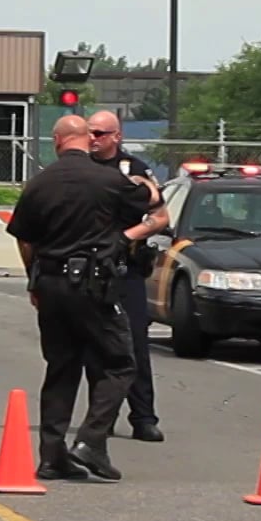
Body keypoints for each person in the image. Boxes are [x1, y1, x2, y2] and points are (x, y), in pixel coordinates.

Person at [6, 115, 160, 481]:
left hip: (50, 283)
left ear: (58, 141)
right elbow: (151, 201)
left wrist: (34, 280)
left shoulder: (39, 184)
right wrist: (141, 183)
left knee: (61, 368)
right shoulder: (108, 179)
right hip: (93, 284)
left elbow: (24, 238)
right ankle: (91, 440)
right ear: (85, 140)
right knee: (121, 362)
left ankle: (51, 455)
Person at [85, 109, 169, 442]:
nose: (93, 139)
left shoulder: (133, 170)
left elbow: (160, 216)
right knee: (93, 346)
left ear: (116, 136)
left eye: (100, 134)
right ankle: (100, 418)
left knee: (134, 342)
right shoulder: (83, 168)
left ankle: (144, 417)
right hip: (90, 268)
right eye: (89, 132)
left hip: (126, 267)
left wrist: (126, 238)